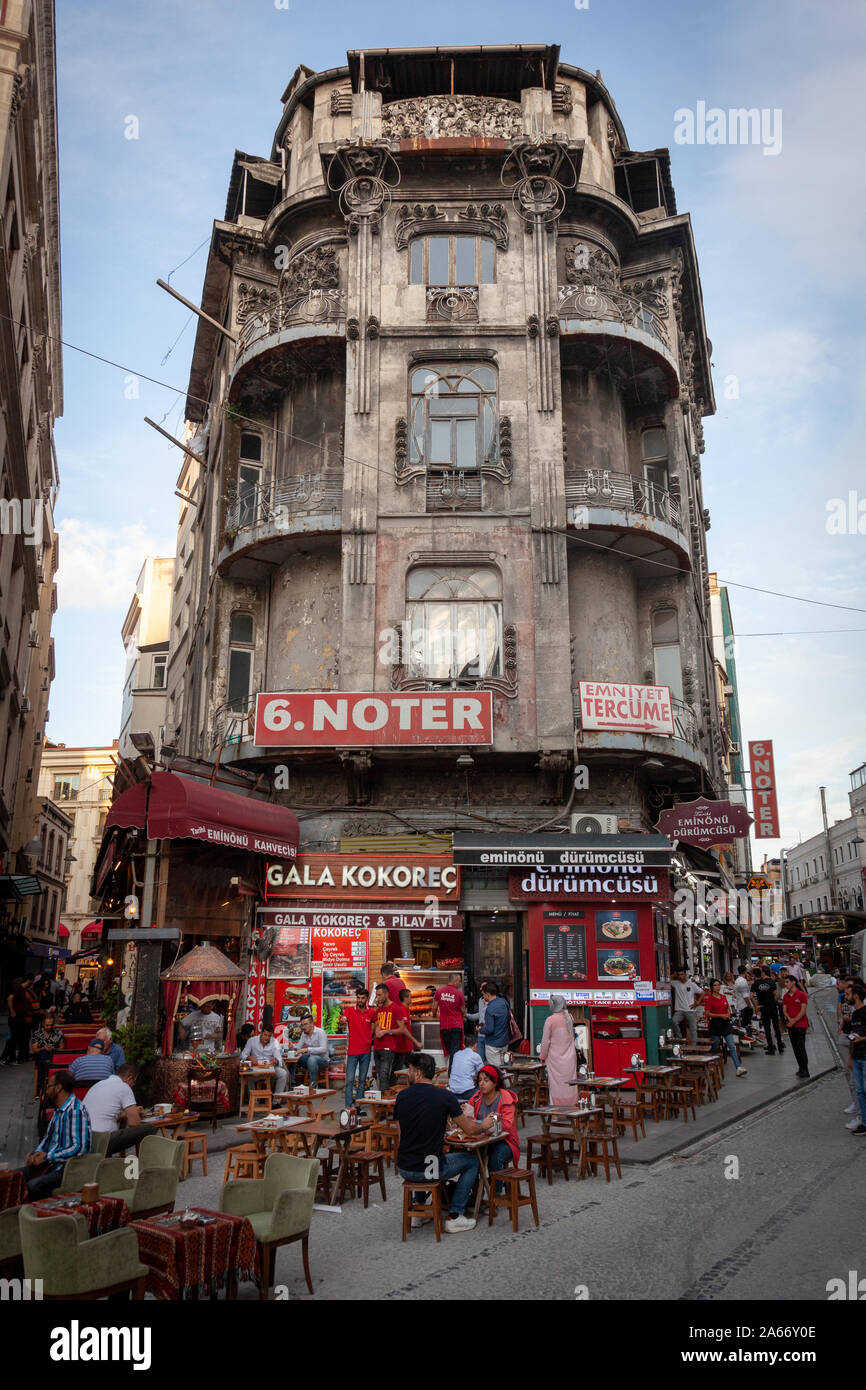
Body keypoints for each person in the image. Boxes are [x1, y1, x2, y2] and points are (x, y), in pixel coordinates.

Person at [394, 1051, 480, 1232]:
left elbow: (401, 1135)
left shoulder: (401, 1097)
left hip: (404, 1166)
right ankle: (455, 1215)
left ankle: (418, 1210)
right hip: (429, 1168)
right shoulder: (445, 1097)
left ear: (417, 1073)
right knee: (472, 1161)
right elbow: (470, 1129)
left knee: (423, 1154)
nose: (408, 1073)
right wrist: (486, 1123)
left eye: (409, 1069)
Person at [18, 1070, 91, 1197]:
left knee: (33, 1186)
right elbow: (47, 1140)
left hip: (65, 1169)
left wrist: (47, 1156)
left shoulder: (75, 1111)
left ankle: (36, 1215)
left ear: (58, 1088)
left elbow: (79, 1147)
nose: (46, 1090)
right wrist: (36, 1154)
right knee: (14, 1177)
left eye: (49, 1086)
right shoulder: (58, 1110)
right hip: (50, 1165)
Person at [466, 1063, 520, 1180]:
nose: (482, 1083)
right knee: (469, 1157)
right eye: (480, 1080)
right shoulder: (477, 1097)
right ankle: (475, 1192)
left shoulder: (505, 1098)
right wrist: (466, 1112)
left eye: (486, 1080)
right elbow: (468, 1116)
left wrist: (486, 1125)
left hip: (506, 1142)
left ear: (495, 1082)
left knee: (495, 1156)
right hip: (481, 1140)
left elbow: (507, 1125)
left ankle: (496, 1192)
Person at [84, 1063, 152, 1154]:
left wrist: (126, 1113)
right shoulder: (124, 1087)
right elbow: (134, 1123)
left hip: (86, 1138)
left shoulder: (99, 1084)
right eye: (134, 1082)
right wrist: (133, 1114)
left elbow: (107, 1113)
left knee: (123, 1122)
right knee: (149, 1128)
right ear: (129, 1078)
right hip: (103, 1140)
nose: (133, 1085)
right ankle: (144, 1159)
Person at [699, 979, 748, 1076]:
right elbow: (708, 1013)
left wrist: (728, 1013)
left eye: (719, 985)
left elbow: (727, 1008)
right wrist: (720, 1015)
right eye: (715, 985)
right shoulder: (709, 999)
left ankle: (738, 1067)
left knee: (731, 1046)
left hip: (725, 1024)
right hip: (715, 1024)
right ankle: (708, 1061)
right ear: (712, 987)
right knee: (715, 1045)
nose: (718, 987)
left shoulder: (723, 997)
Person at [371, 984, 414, 1094]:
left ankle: (384, 1105)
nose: (378, 998)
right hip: (377, 1046)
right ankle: (382, 1103)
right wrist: (376, 1030)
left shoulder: (396, 1008)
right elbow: (375, 1026)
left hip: (389, 1047)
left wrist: (386, 1031)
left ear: (386, 994)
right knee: (381, 1074)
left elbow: (402, 1029)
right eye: (377, 995)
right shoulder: (378, 1009)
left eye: (380, 995)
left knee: (385, 1074)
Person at [539, 993, 579, 1104]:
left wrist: (542, 1056)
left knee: (555, 1084)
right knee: (570, 1084)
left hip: (555, 1059)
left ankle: (556, 1112)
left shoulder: (550, 1020)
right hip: (570, 1058)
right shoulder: (570, 1017)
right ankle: (571, 1106)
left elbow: (545, 1042)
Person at [343, 987, 376, 1108]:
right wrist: (342, 1020)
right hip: (352, 1051)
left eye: (362, 998)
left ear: (367, 999)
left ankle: (358, 1106)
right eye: (358, 998)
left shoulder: (372, 1013)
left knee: (362, 1080)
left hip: (366, 1051)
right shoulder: (349, 1010)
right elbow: (344, 1019)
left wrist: (370, 1039)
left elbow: (375, 1026)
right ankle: (348, 1106)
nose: (360, 1000)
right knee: (350, 1079)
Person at [433, 973, 466, 1073]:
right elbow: (463, 1010)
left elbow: (434, 1008)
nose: (460, 983)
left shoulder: (439, 991)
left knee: (449, 1049)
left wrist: (434, 1015)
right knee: (454, 1051)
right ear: (455, 981)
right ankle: (452, 1074)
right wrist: (463, 1015)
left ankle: (450, 1071)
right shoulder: (459, 993)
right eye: (459, 981)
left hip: (444, 1025)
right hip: (456, 1025)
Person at [241, 1025, 288, 1094]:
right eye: (265, 1035)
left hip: (269, 1068)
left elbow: (279, 1059)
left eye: (269, 1036)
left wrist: (276, 1061)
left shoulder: (274, 1042)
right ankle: (254, 1101)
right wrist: (249, 1057)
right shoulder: (252, 1041)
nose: (266, 1038)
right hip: (255, 1068)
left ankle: (276, 1101)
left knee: (283, 1073)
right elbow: (243, 1055)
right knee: (248, 1076)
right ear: (261, 1033)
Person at [780, 974, 810, 1079]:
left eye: (787, 982)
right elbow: (784, 1010)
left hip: (801, 1024)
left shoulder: (801, 995)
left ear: (793, 982)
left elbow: (803, 1010)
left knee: (801, 1047)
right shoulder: (786, 996)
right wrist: (789, 1019)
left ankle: (805, 1069)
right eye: (785, 982)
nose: (786, 984)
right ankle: (800, 1068)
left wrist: (794, 1020)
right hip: (791, 1024)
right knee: (795, 1048)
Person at [287, 1014, 329, 1087]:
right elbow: (299, 1047)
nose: (303, 1027)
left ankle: (313, 1085)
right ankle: (292, 1082)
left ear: (312, 1024)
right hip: (309, 1059)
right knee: (294, 1058)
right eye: (302, 1025)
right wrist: (292, 1047)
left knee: (312, 1059)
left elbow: (323, 1049)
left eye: (305, 1024)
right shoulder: (304, 1034)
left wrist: (307, 1049)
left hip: (323, 1060)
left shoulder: (320, 1032)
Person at [847, 983, 866, 1136]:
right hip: (857, 1057)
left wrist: (862, 1039)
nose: (846, 997)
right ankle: (864, 1122)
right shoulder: (854, 1014)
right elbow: (852, 1035)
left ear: (856, 996)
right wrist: (850, 1057)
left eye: (849, 994)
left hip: (865, 1056)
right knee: (860, 1091)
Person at [31, 1008, 65, 1092]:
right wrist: (43, 1048)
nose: (49, 1027)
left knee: (45, 1059)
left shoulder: (59, 1033)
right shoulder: (37, 1034)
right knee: (43, 1053)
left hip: (54, 1055)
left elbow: (62, 1048)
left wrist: (54, 1049)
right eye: (47, 1025)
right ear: (43, 1024)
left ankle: (41, 1089)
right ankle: (44, 1086)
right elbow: (34, 1050)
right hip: (41, 1056)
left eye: (51, 1025)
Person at [478, 981, 510, 1069]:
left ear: (487, 994)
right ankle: (507, 1083)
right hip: (504, 1042)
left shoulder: (490, 1009)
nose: (483, 997)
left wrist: (480, 1029)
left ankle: (503, 1083)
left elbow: (489, 1030)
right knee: (504, 1069)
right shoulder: (504, 1002)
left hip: (493, 1044)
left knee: (497, 1071)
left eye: (483, 994)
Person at [753, 966, 785, 1054]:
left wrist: (756, 1006)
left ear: (763, 973)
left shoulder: (757, 983)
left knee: (767, 1029)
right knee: (776, 1027)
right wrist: (773, 1002)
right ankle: (780, 1046)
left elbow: (752, 996)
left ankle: (771, 1048)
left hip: (764, 1008)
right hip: (773, 1007)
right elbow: (776, 995)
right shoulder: (771, 982)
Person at [5, 975, 37, 1062]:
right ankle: (9, 1057)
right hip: (16, 1017)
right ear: (29, 980)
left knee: (18, 1038)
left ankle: (13, 1057)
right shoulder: (18, 988)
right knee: (14, 1038)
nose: (32, 983)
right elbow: (9, 999)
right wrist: (12, 1011)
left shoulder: (23, 990)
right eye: (32, 981)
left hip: (20, 1017)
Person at [448, 1029, 483, 1101]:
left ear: (464, 1045)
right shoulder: (475, 1056)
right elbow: (483, 1073)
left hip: (452, 1092)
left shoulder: (456, 1054)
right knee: (486, 1088)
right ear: (476, 1045)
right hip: (467, 1093)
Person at [670, 969, 701, 1045]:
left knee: (693, 1029)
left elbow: (702, 992)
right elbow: (667, 979)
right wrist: (674, 974)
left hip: (690, 1009)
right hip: (679, 1009)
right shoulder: (676, 983)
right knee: (674, 1021)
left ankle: (694, 1048)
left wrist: (697, 1002)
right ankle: (680, 1040)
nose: (681, 976)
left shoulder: (691, 984)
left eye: (682, 974)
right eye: (679, 975)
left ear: (685, 974)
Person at [733, 967, 754, 1033]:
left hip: (740, 1005)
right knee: (746, 1025)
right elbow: (745, 996)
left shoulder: (737, 980)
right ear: (745, 972)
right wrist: (750, 1006)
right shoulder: (743, 981)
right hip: (745, 1006)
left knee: (743, 1025)